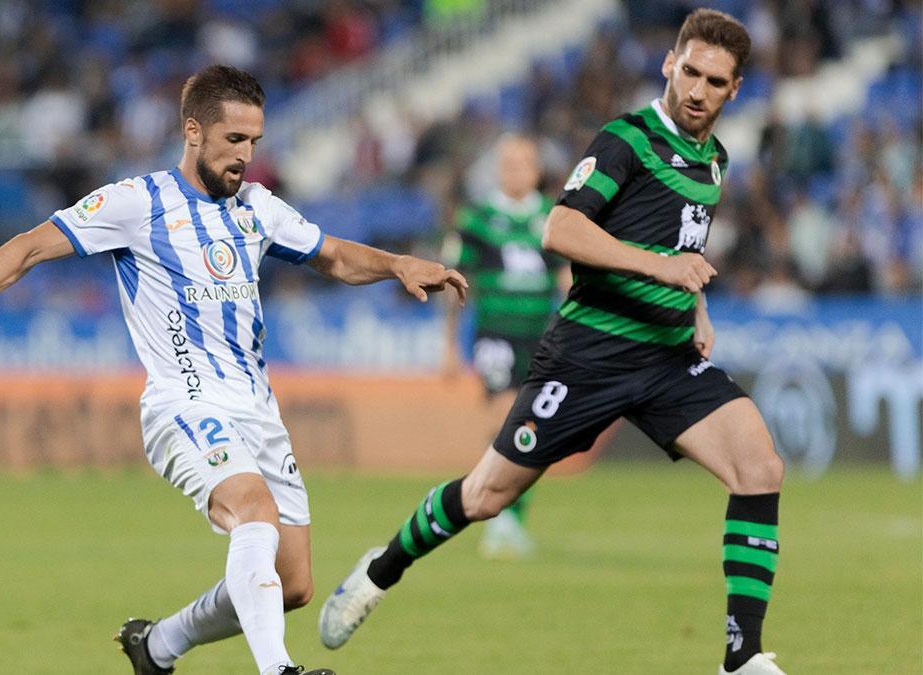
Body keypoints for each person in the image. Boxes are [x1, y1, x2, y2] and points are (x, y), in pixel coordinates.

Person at [0, 64, 467, 675]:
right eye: (234, 141)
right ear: (194, 132)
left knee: (293, 583)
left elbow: (331, 255)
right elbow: (29, 246)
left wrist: (399, 263)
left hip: (258, 411)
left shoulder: (257, 208)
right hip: (185, 404)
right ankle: (278, 671)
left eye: (254, 142)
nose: (246, 156)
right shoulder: (136, 203)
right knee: (254, 512)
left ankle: (159, 644)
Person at [319, 10, 787, 674]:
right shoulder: (625, 140)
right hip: (588, 354)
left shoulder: (715, 160)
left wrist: (697, 305)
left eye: (715, 81)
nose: (697, 90)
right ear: (668, 65)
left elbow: (683, 247)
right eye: (690, 72)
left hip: (666, 355)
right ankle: (382, 567)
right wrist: (659, 268)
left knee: (760, 468)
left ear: (734, 90)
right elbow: (561, 230)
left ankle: (740, 657)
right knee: (485, 496)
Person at [442, 133, 569, 560]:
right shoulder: (476, 219)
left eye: (524, 162)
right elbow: (455, 285)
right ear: (500, 168)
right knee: (505, 417)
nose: (516, 170)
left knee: (534, 427)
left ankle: (512, 516)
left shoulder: (555, 217)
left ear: (536, 169)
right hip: (495, 333)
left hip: (541, 336)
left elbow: (567, 278)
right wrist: (448, 347)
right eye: (509, 163)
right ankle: (498, 517)